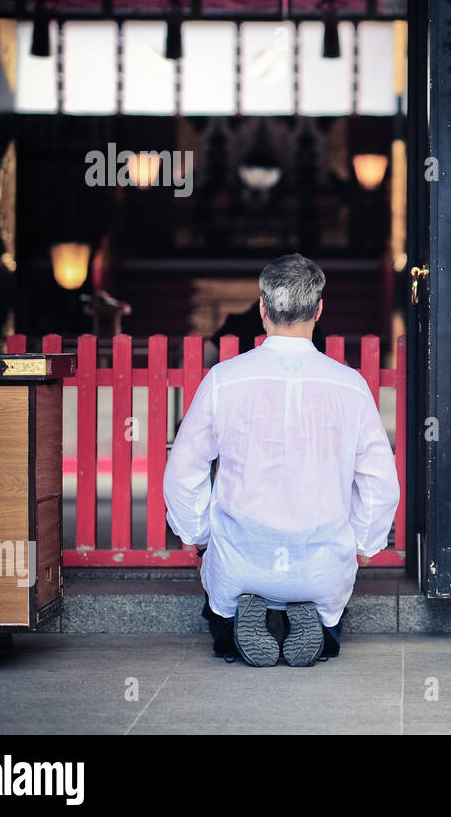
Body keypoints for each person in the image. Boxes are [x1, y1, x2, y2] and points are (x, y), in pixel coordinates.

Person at [163, 253, 400, 666]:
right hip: (321, 561)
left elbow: (183, 472)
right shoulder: (350, 386)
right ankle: (314, 622)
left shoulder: (223, 380)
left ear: (262, 307)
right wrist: (362, 544)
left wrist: (199, 535)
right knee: (328, 611)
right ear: (318, 310)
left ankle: (236, 627)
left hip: (240, 557)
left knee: (220, 612)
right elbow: (380, 482)